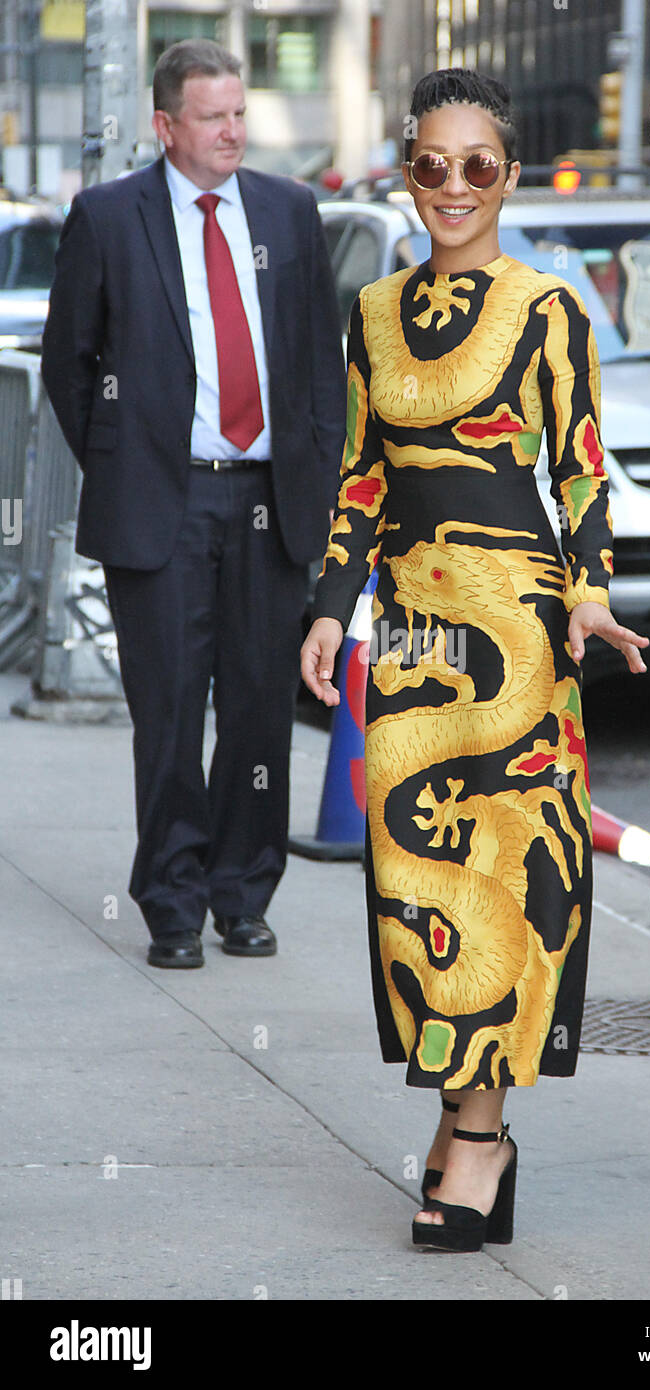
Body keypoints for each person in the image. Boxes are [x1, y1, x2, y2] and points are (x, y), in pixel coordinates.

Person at [301, 68, 649, 1252]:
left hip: (520, 639)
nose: (452, 187)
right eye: (431, 165)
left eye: (478, 166)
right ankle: (466, 1125)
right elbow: (358, 478)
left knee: (509, 885)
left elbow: (583, 470)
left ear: (509, 174)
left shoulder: (549, 311)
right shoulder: (373, 314)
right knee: (414, 894)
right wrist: (326, 610)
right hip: (407, 643)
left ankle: (479, 1141)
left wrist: (590, 596)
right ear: (408, 171)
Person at [41, 39, 346, 969]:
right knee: (170, 714)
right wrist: (123, 454)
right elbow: (68, 362)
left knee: (258, 709)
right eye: (212, 118)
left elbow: (317, 366)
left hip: (269, 504)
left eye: (240, 113)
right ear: (166, 126)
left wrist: (321, 481)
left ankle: (242, 895)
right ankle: (172, 904)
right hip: (163, 508)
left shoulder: (290, 213)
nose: (232, 132)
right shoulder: (108, 216)